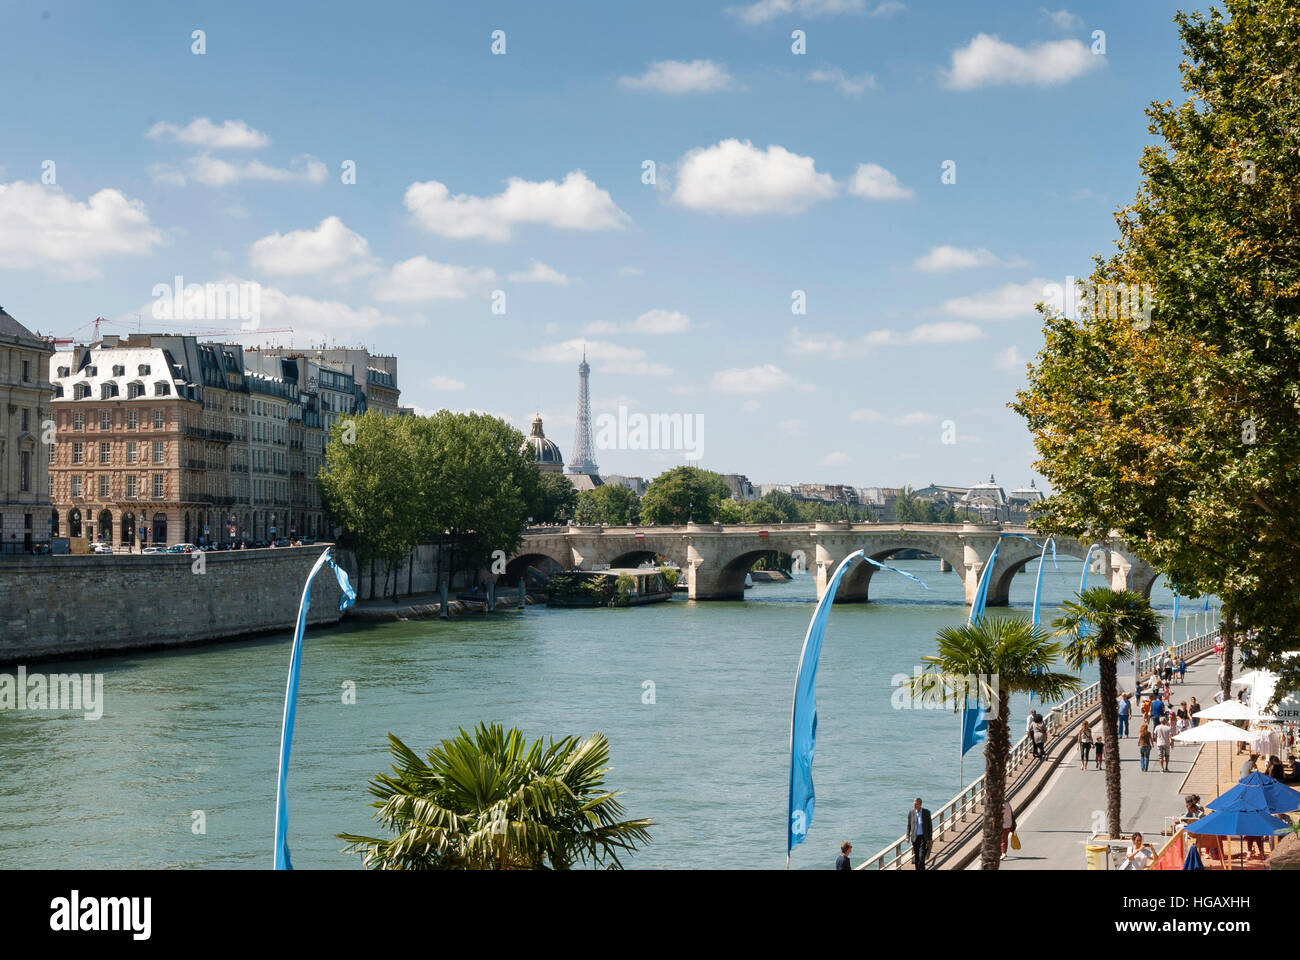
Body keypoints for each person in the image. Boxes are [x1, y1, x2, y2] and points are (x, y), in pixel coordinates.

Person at [907, 798, 932, 871]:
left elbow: (930, 826)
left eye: (916, 804)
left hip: (923, 838)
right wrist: (907, 836)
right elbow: (908, 825)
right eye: (914, 804)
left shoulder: (926, 812)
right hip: (915, 838)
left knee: (921, 857)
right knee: (917, 857)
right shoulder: (911, 812)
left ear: (920, 804)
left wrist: (930, 838)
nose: (914, 805)